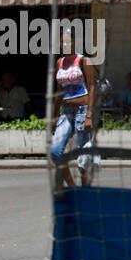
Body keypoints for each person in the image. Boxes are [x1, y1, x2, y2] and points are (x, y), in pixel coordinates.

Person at [49, 28, 98, 187]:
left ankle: (85, 190)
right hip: (66, 112)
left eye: (68, 41)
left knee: (83, 157)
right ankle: (72, 187)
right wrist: (54, 116)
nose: (65, 45)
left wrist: (89, 114)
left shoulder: (84, 61)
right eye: (62, 42)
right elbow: (59, 92)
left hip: (82, 111)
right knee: (56, 151)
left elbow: (91, 87)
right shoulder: (60, 62)